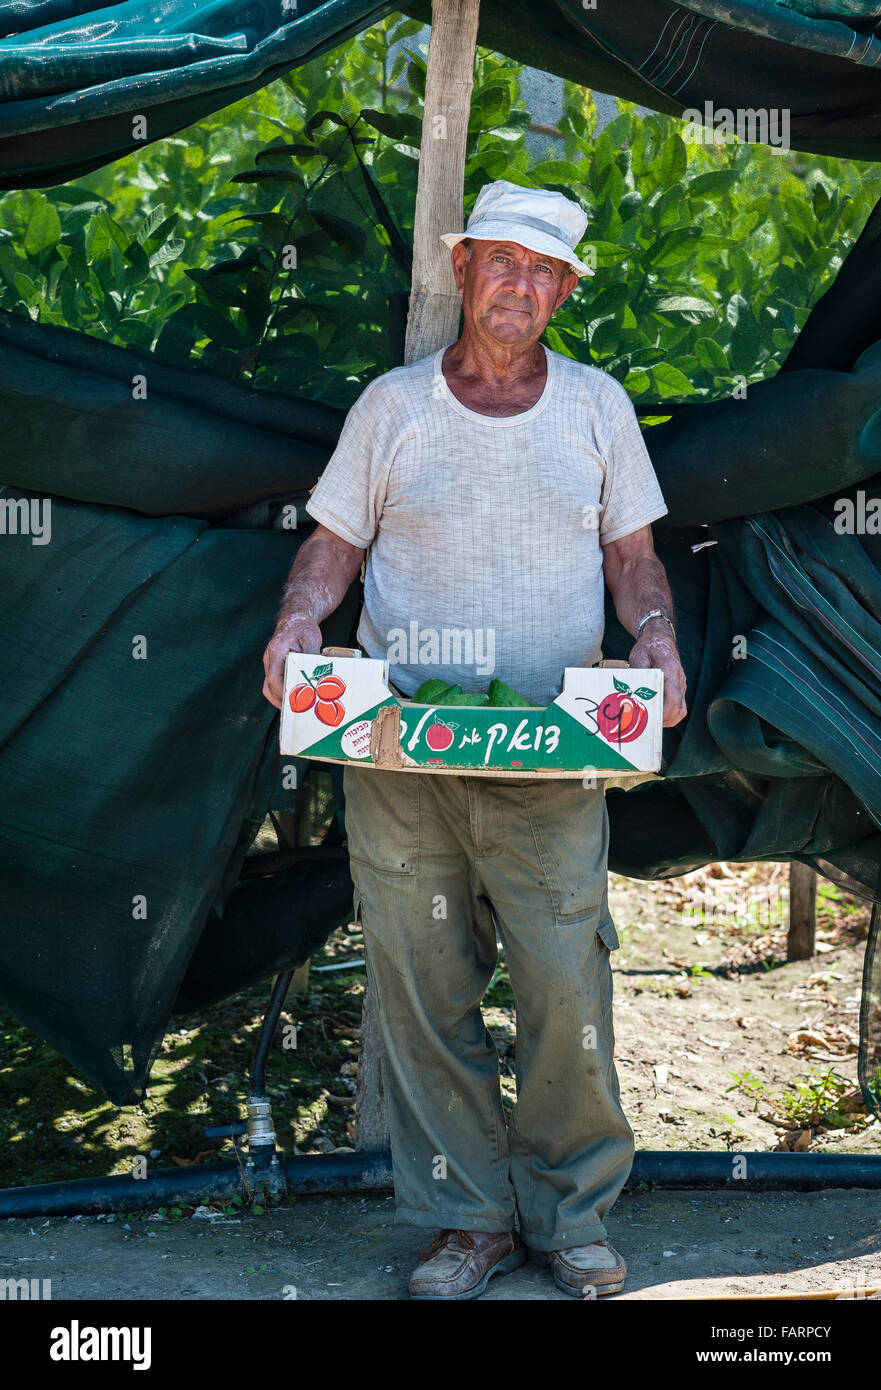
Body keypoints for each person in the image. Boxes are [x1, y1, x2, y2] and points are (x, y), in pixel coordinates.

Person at [262, 178, 688, 1300]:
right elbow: (332, 544)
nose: (522, 286)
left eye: (545, 272)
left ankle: (572, 1215)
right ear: (462, 270)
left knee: (563, 984)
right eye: (505, 261)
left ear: (564, 292)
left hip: (550, 749)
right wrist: (300, 618)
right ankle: (464, 1222)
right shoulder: (392, 409)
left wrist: (654, 636)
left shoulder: (596, 406)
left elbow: (632, 555)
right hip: (402, 744)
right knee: (419, 986)